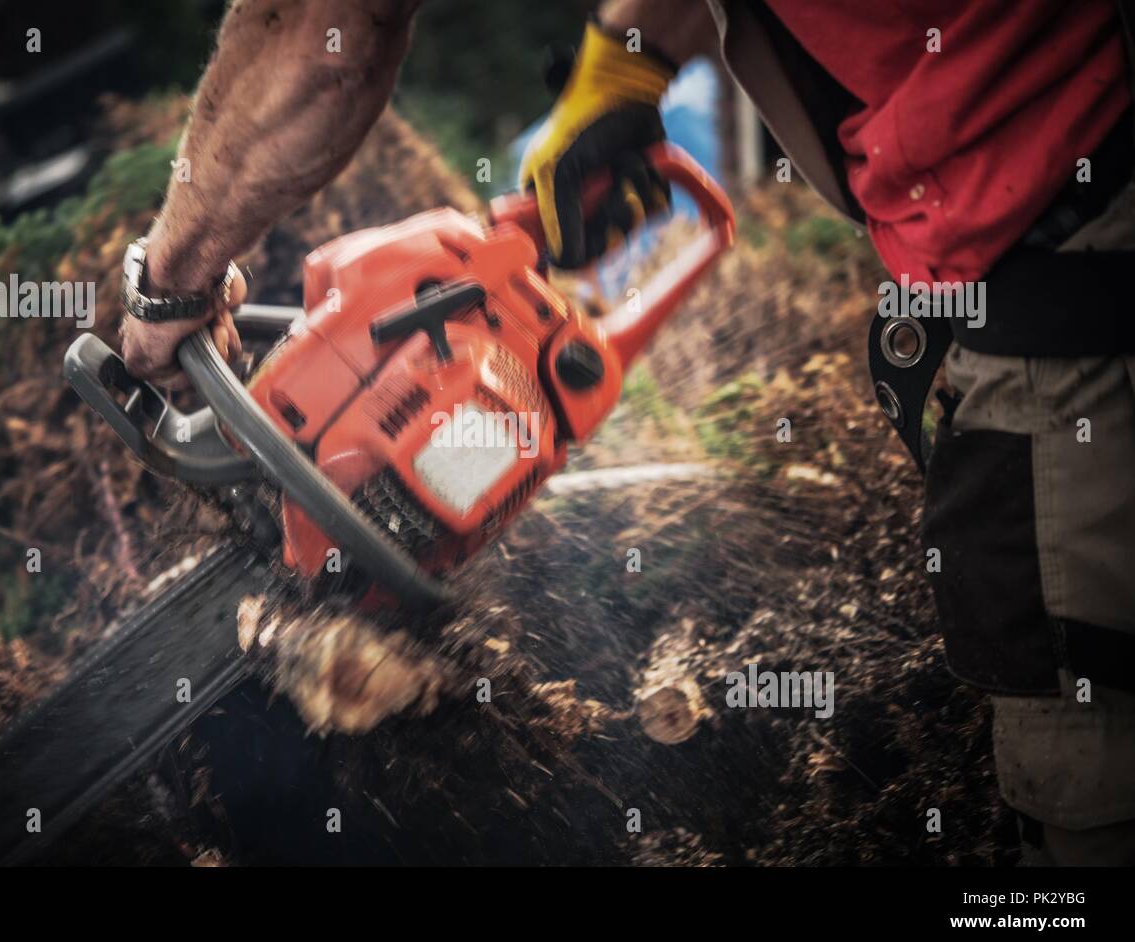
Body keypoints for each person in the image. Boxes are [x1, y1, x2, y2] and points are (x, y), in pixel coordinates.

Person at [118, 0, 1135, 865]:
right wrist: (626, 68)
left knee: (1091, 790)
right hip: (1060, 246)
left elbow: (316, 33)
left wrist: (170, 281)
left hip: (1079, 268)